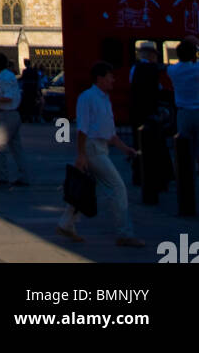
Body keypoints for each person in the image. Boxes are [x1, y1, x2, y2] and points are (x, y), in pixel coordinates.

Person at [58, 61, 144, 247]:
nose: (113, 80)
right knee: (118, 188)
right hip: (93, 149)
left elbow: (109, 133)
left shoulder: (104, 98)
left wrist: (124, 148)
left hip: (100, 147)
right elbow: (83, 129)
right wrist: (81, 155)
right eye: (110, 76)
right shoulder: (87, 97)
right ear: (100, 78)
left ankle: (66, 223)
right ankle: (124, 233)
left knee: (85, 188)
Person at [128, 42, 173, 190]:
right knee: (156, 145)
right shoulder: (154, 69)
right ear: (152, 55)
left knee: (139, 144)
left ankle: (139, 175)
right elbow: (159, 90)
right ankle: (160, 178)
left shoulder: (134, 68)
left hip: (136, 112)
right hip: (150, 112)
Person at [0, 52, 29, 187]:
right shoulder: (9, 75)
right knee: (16, 147)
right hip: (14, 114)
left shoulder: (4, 78)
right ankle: (24, 176)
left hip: (7, 114)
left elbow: (8, 97)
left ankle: (2, 176)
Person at [168, 39, 199, 171]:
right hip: (198, 111)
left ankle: (185, 176)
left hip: (182, 113)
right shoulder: (197, 69)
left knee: (184, 149)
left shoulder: (172, 70)